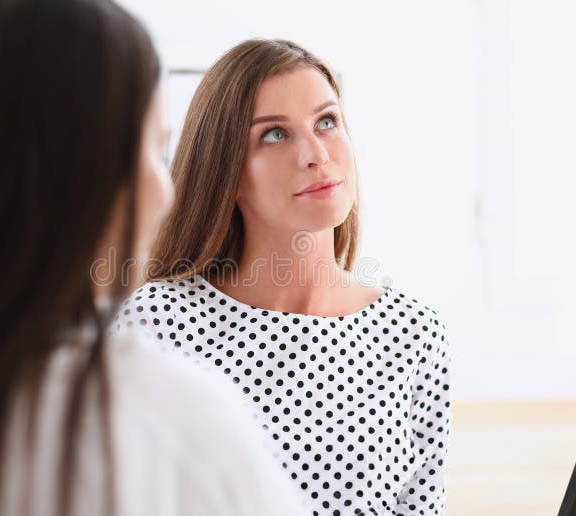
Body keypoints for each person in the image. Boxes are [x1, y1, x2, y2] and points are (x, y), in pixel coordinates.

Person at [0, 4, 305, 516]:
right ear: (83, 173)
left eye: (329, 120)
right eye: (153, 151)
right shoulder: (170, 422)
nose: (166, 191)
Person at [113, 39, 452, 516]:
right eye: (274, 135)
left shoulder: (414, 332)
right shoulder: (158, 321)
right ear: (226, 172)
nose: (316, 154)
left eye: (327, 122)